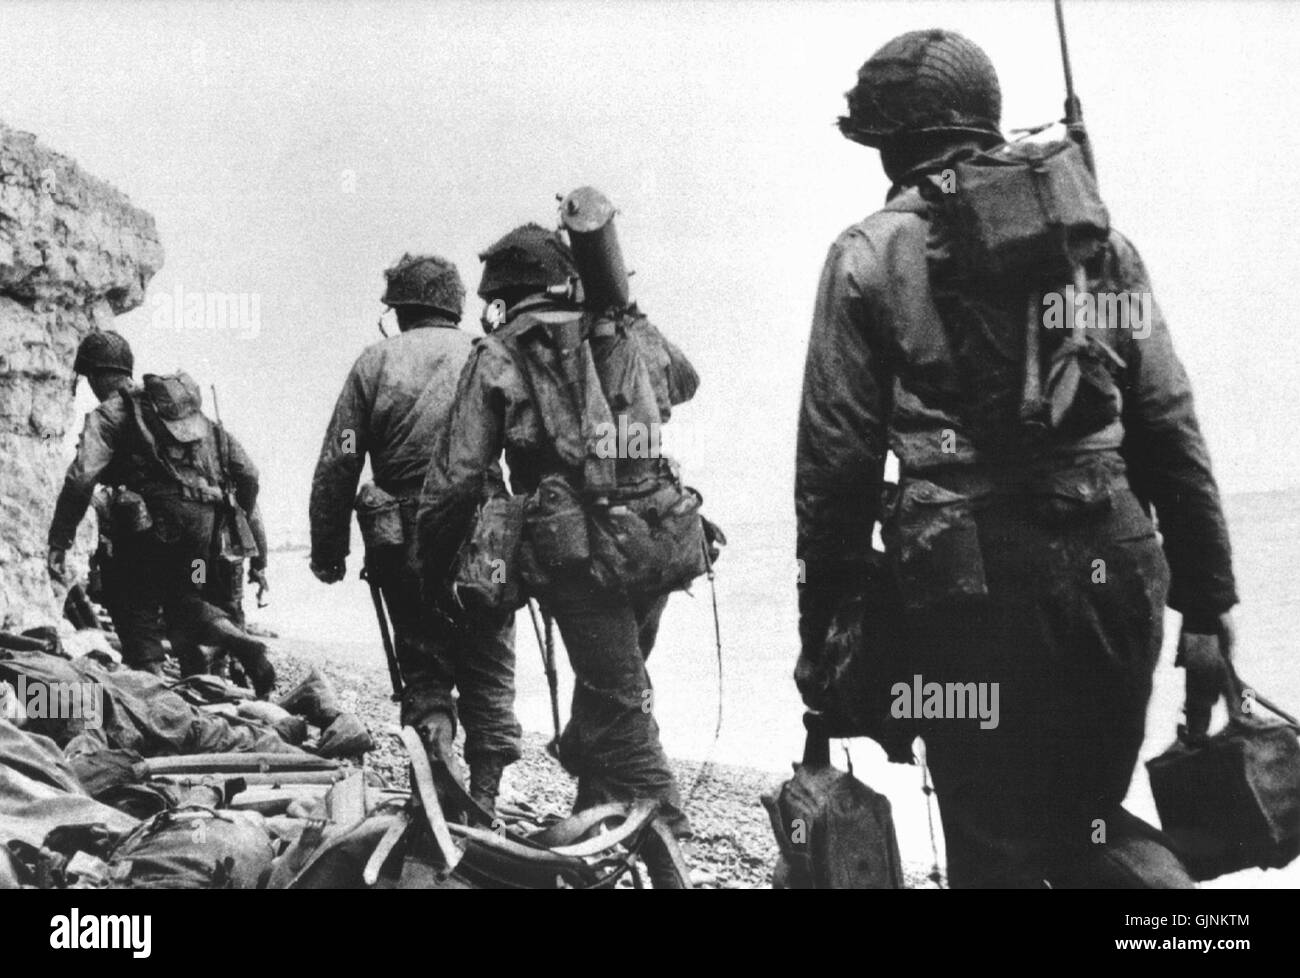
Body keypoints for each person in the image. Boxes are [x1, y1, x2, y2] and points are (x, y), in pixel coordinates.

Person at [794, 29, 1238, 888]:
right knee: (1091, 816)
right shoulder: (1099, 245)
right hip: (1117, 574)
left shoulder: (867, 255)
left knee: (993, 835)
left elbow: (834, 470)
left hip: (967, 598)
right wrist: (1209, 606)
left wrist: (825, 632)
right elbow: (1168, 427)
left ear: (894, 140)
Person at [418, 223, 707, 883]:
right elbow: (685, 382)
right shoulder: (621, 330)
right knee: (614, 690)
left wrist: (431, 568)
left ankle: (666, 855)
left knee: (620, 705)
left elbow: (457, 480)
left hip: (577, 558)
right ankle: (593, 838)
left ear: (501, 297)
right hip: (656, 540)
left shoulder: (499, 354)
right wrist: (627, 317)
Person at [309, 254, 521, 813]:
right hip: (486, 540)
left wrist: (329, 550)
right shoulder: (490, 355)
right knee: (490, 663)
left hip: (403, 544)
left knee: (424, 666)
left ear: (399, 310)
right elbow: (528, 449)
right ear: (454, 305)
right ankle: (485, 801)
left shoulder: (374, 363)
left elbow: (341, 461)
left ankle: (435, 788)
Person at [48, 331, 275, 695]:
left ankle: (150, 681)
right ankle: (236, 639)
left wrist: (60, 540)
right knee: (186, 598)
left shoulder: (110, 415)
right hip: (205, 535)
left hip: (153, 531)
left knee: (132, 600)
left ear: (94, 376)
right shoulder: (192, 418)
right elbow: (247, 473)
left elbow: (81, 477)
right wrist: (237, 521)